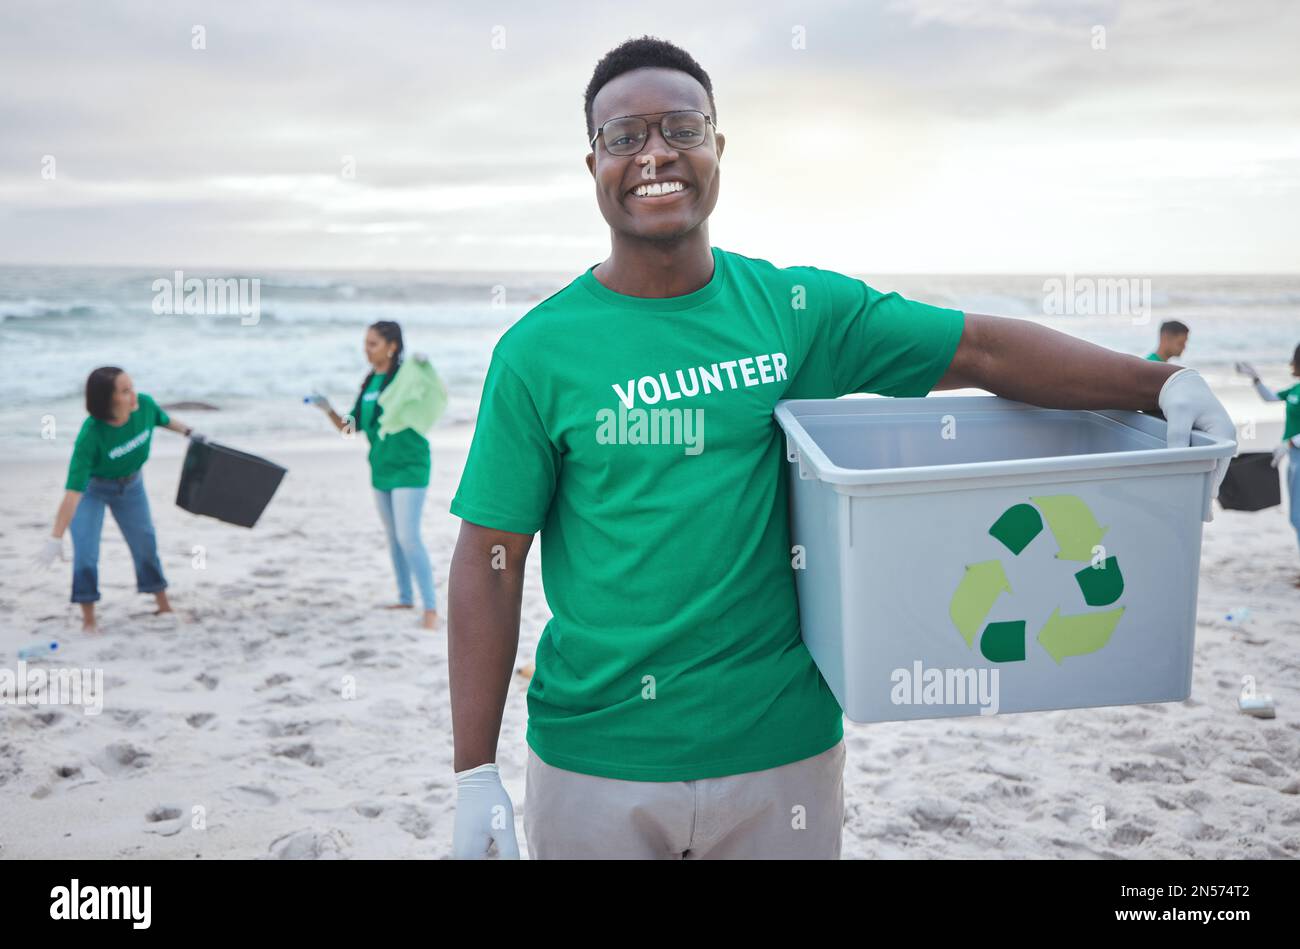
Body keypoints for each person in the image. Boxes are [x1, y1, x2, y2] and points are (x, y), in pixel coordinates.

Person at [447, 37, 1236, 860]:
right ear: (593, 163)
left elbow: (980, 351)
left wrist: (1159, 385)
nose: (656, 154)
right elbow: (490, 554)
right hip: (597, 759)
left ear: (719, 145)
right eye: (626, 136)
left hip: (783, 747)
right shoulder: (538, 351)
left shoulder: (793, 310)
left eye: (682, 128)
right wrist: (474, 773)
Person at [37, 367, 201, 632]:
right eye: (125, 391)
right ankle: (89, 620)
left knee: (145, 543)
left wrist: (189, 432)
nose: (134, 395)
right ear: (107, 400)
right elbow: (73, 492)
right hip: (93, 490)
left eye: (132, 387)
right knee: (86, 553)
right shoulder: (91, 436)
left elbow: (163, 419)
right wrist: (55, 538)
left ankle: (163, 603)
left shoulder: (144, 406)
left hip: (132, 486)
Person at [310, 321, 442, 630]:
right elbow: (349, 427)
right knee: (394, 536)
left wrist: (426, 368)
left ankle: (431, 608)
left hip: (410, 464)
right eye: (365, 343)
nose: (366, 350)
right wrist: (327, 409)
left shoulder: (405, 377)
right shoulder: (369, 381)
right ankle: (405, 597)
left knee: (409, 536)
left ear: (392, 346)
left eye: (373, 344)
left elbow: (429, 391)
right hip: (380, 466)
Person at [1237, 346, 1300, 579]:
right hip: (1292, 458)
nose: (1290, 364)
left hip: (1297, 454)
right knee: (1296, 516)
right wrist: (1254, 379)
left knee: (1299, 517)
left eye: (1294, 360)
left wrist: (1291, 442)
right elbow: (1271, 399)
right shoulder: (1296, 389)